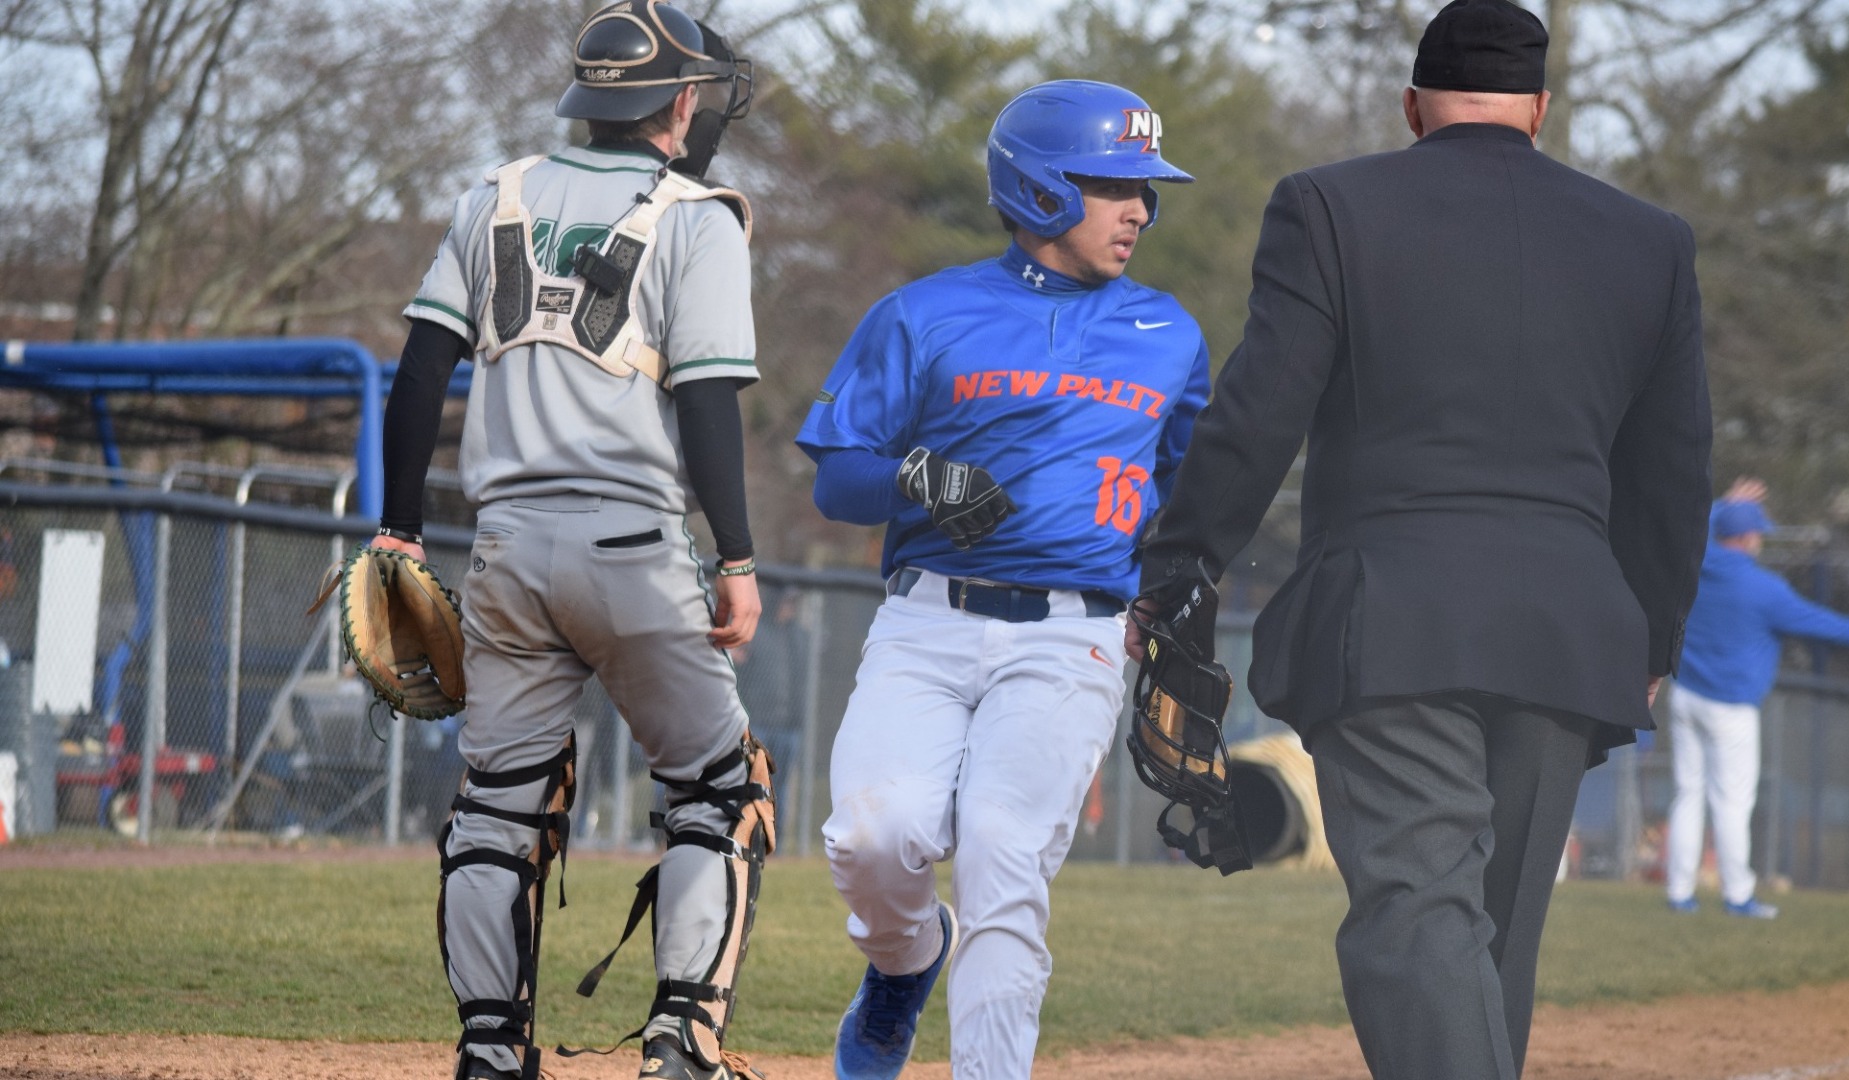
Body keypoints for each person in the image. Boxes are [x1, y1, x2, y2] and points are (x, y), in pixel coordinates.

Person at [1131, 1, 1713, 1077]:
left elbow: (1260, 411)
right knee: (1492, 936)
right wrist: (1655, 637)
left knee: (1419, 910)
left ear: (1412, 106)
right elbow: (1674, 470)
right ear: (1540, 108)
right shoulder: (1652, 241)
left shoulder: (1330, 206)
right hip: (1569, 629)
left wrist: (1180, 565)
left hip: (1392, 613)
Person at [371, 5, 775, 1078]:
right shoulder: (698, 219)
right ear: (679, 103)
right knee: (719, 791)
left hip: (504, 551)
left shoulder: (491, 195)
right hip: (631, 547)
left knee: (498, 806)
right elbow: (708, 403)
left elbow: (420, 375)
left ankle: (489, 1052)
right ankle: (680, 1042)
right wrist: (737, 560)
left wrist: (398, 530)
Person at [795, 80, 1209, 1080]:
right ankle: (904, 963)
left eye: (1145, 191)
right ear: (1039, 191)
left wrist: (1175, 600)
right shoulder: (924, 313)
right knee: (873, 839)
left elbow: (1191, 495)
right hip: (927, 621)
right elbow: (838, 480)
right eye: (1114, 186)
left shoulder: (1171, 336)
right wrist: (919, 477)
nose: (1139, 210)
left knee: (1001, 852)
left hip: (1074, 635)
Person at [1665, 481, 1849, 918]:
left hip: (1686, 696)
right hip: (1730, 707)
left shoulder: (1696, 564)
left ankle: (1679, 893)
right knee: (1732, 802)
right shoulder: (1764, 589)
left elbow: (1689, 526)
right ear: (1746, 538)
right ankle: (1738, 896)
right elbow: (1820, 621)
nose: (1760, 539)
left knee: (1687, 794)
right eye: (1757, 532)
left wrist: (1725, 504)